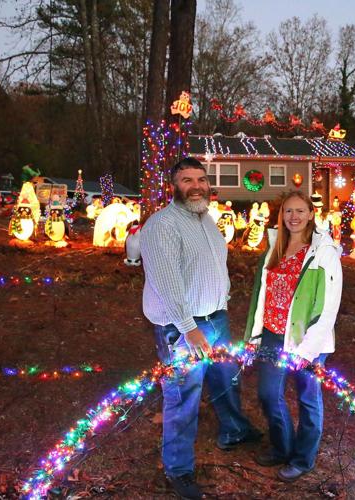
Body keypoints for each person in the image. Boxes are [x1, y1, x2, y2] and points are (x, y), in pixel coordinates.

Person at [140, 157, 260, 500]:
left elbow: (210, 265)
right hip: (183, 328)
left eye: (201, 179)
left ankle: (234, 430)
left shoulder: (206, 219)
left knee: (225, 379)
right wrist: (188, 327)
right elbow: (166, 280)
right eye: (187, 180)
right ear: (173, 187)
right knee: (182, 395)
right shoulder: (163, 225)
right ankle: (178, 468)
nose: (196, 185)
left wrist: (222, 296)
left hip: (215, 319)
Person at [244, 191, 343, 482]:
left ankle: (303, 459)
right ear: (281, 215)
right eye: (288, 211)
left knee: (308, 398)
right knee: (268, 394)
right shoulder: (275, 247)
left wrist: (307, 350)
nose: (294, 217)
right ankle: (282, 446)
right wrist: (256, 336)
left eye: (300, 211)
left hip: (307, 340)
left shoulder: (324, 251)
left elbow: (329, 306)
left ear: (311, 214)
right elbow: (262, 296)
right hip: (273, 335)